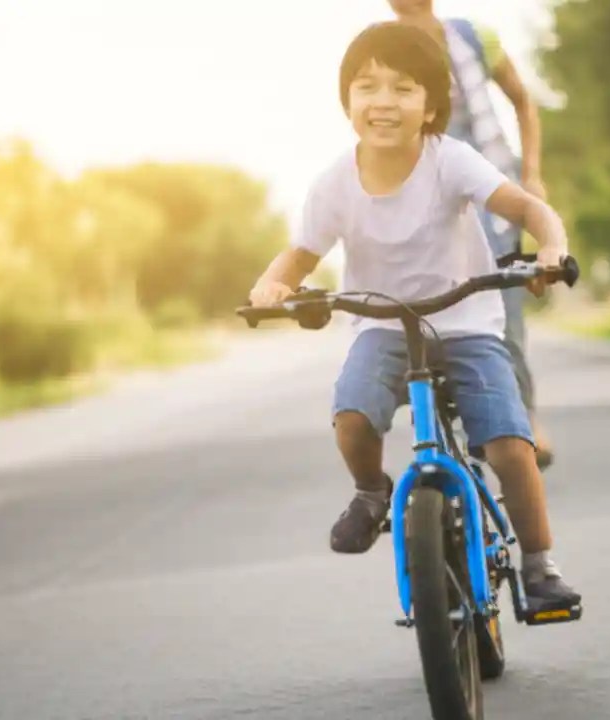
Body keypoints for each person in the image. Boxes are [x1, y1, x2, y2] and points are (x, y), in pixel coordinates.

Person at [247, 22, 580, 609]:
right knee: (352, 416)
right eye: (367, 86)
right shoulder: (333, 183)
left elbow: (525, 207)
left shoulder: (451, 160)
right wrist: (273, 285)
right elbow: (300, 255)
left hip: (467, 324)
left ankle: (538, 564)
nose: (383, 102)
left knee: (509, 447)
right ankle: (372, 493)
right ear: (347, 101)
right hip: (382, 327)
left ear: (431, 109)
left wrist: (550, 247)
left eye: (403, 89)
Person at [388, 0, 556, 467]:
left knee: (504, 305)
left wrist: (533, 174)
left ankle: (523, 415)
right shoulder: (384, 46)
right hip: (422, 188)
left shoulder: (474, 37)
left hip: (489, 186)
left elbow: (522, 100)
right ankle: (439, 419)